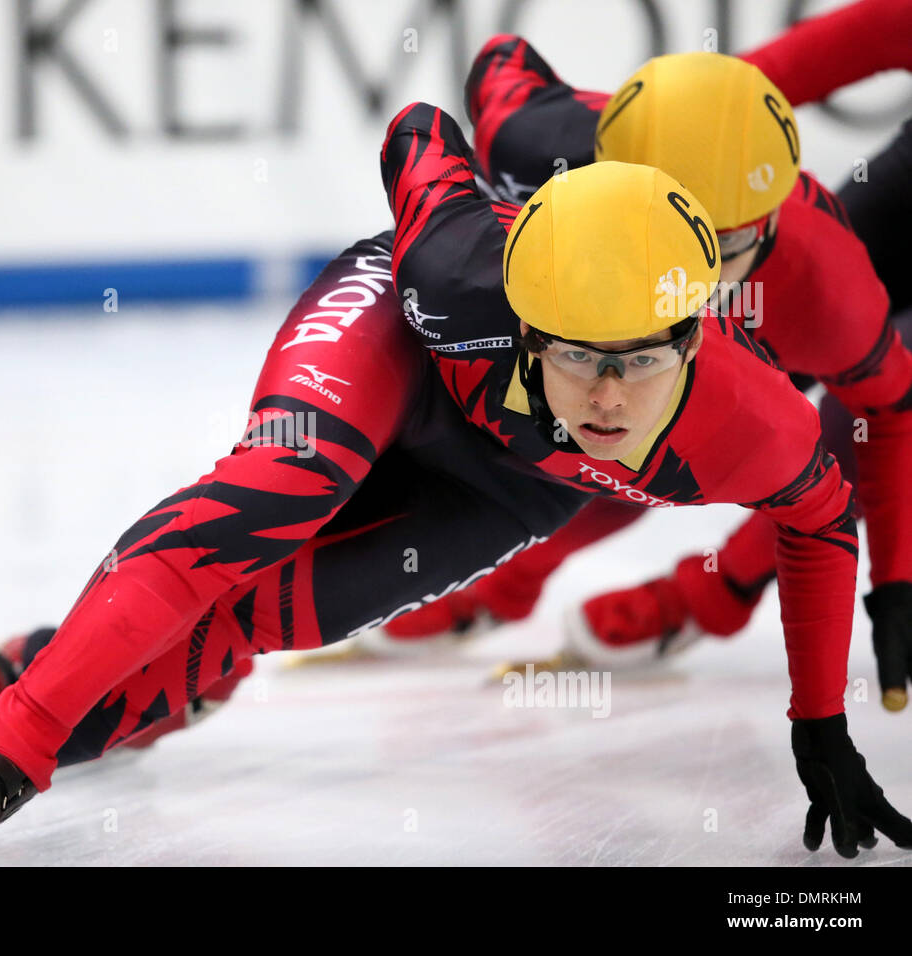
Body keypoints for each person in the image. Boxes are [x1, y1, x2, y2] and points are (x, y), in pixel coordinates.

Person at [0, 105, 911, 865]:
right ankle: (12, 734)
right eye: (573, 356)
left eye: (638, 363)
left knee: (258, 619)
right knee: (275, 496)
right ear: (527, 324)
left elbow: (820, 520)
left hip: (505, 483)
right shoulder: (461, 268)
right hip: (396, 345)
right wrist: (13, 754)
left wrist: (819, 721)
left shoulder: (750, 423)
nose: (605, 397)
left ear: (694, 342)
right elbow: (419, 125)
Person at [382, 17, 912, 713]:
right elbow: (766, 84)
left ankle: (714, 592)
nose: (707, 267)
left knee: (824, 419)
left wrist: (891, 581)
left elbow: (883, 420)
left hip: (817, 283)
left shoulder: (824, 289)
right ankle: (515, 579)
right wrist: (695, 134)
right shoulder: (551, 143)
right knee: (640, 405)